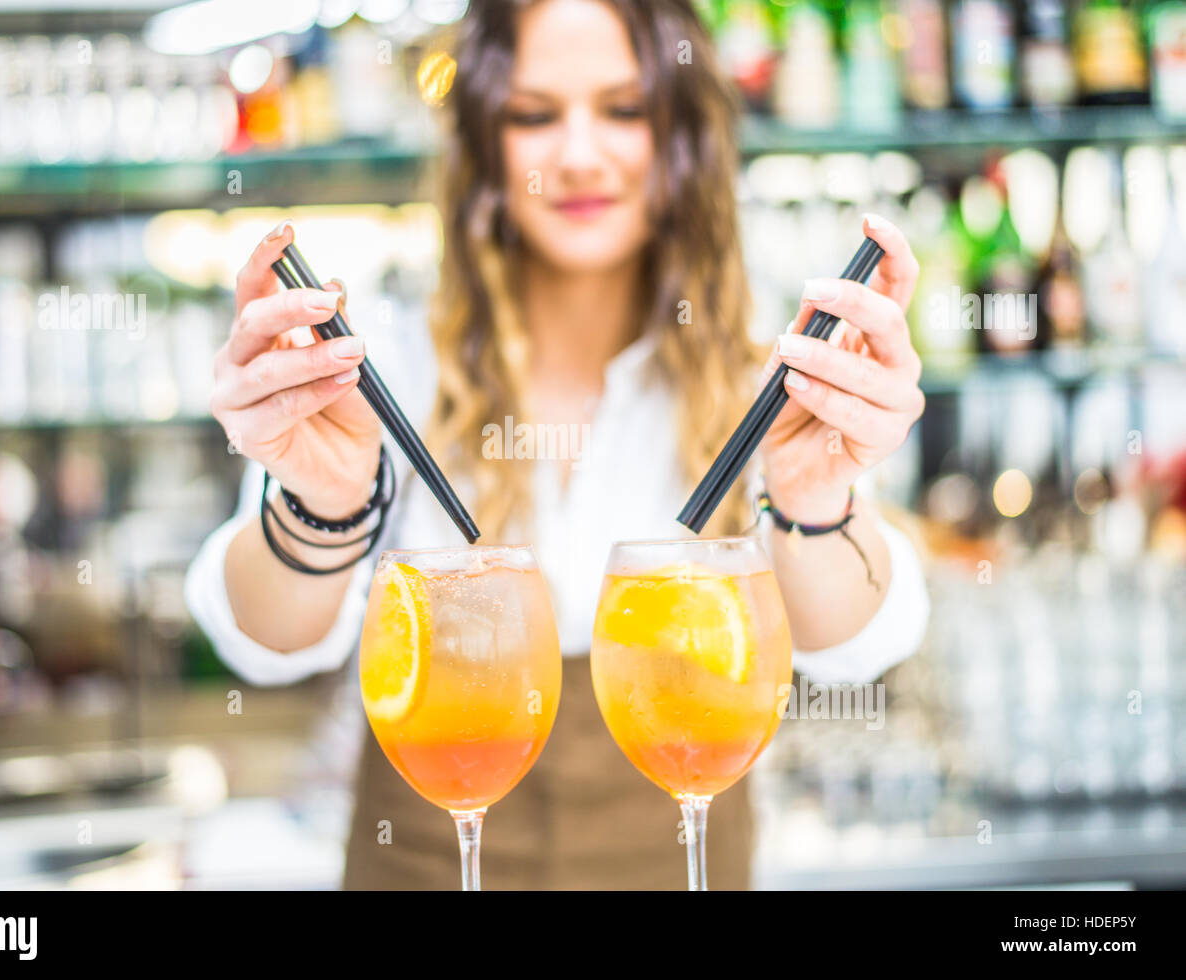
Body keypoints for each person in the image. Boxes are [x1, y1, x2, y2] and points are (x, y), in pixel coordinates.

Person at [185, 0, 930, 889]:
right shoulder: (379, 355)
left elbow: (851, 637)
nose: (578, 155)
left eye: (623, 108)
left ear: (681, 135)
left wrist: (814, 505)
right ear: (485, 145)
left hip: (680, 856)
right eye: (535, 115)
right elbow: (268, 639)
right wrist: (325, 505)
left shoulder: (771, 361)